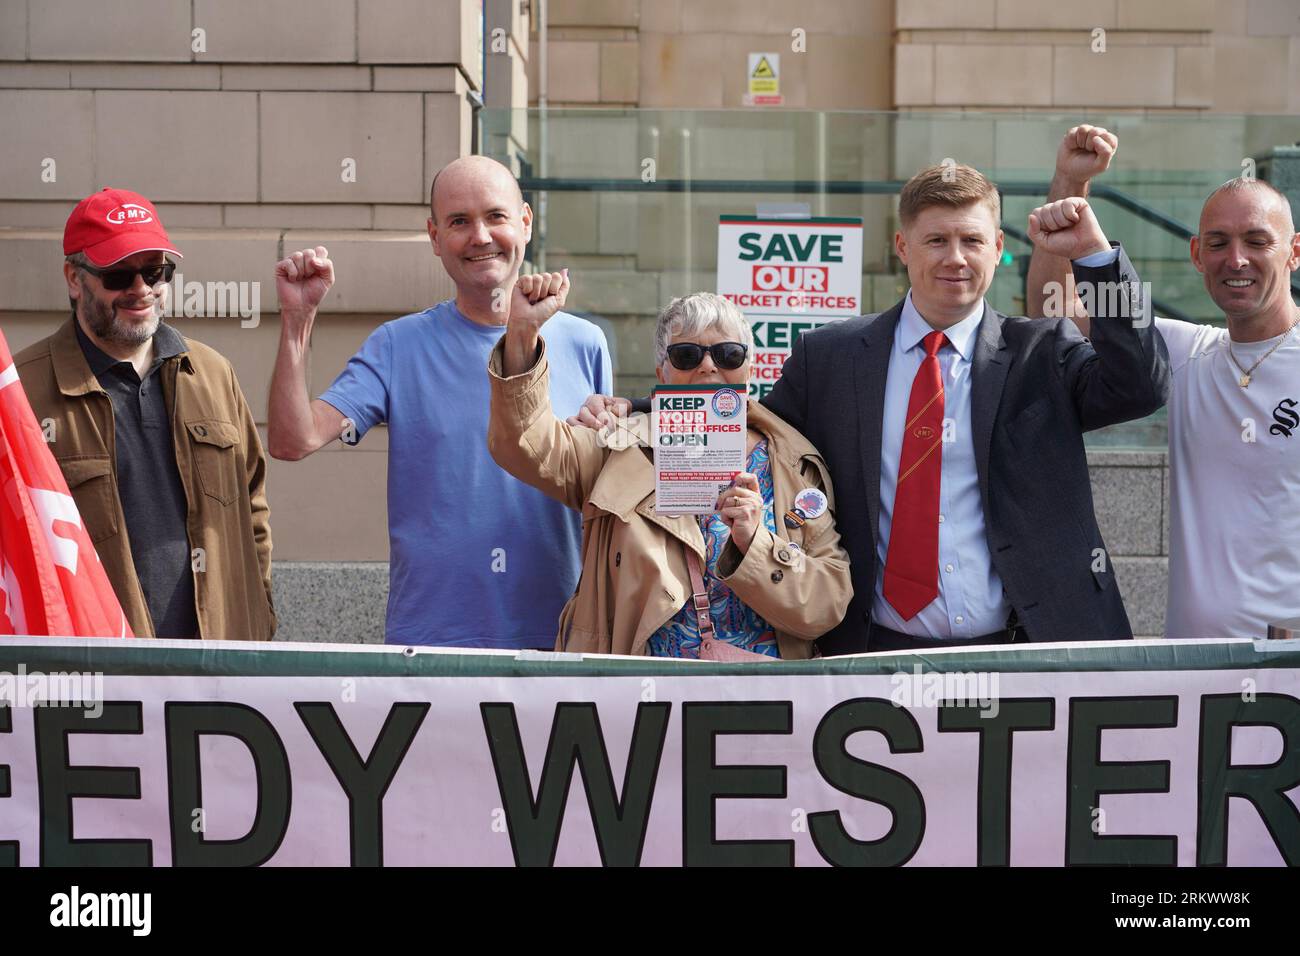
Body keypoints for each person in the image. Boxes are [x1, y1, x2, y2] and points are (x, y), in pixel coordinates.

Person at [579, 163, 1170, 654]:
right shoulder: (831, 358)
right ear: (902, 247)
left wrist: (1095, 257)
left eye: (971, 240)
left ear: (996, 248)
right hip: (870, 649)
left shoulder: (1043, 351)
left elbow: (1142, 385)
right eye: (936, 240)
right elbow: (748, 423)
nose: (955, 258)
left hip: (1022, 647)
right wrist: (636, 411)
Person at [268, 156, 611, 649]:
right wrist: (297, 321)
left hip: (563, 636)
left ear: (526, 223)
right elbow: (292, 439)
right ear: (434, 237)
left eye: (495, 216)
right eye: (458, 222)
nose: (480, 236)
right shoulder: (397, 345)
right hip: (433, 643)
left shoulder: (585, 342)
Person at [1026, 126, 1300, 640]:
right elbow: (1054, 310)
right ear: (1197, 255)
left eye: (1257, 241)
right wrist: (1070, 182)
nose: (1236, 259)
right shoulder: (1185, 351)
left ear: (1295, 252)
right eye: (1219, 243)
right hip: (1195, 684)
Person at [489, 288, 851, 658]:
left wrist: (755, 545)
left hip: (761, 696)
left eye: (728, 354)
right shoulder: (617, 446)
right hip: (643, 697)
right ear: (662, 370)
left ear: (750, 367)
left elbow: (828, 604)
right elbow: (524, 443)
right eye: (687, 355)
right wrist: (522, 335)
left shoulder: (792, 462)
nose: (708, 367)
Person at [14, 188, 274, 640]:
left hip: (221, 670)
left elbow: (252, 508)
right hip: (98, 675)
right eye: (118, 274)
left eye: (155, 271)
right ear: (74, 279)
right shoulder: (23, 393)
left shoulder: (213, 373)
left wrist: (260, 615)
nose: (141, 289)